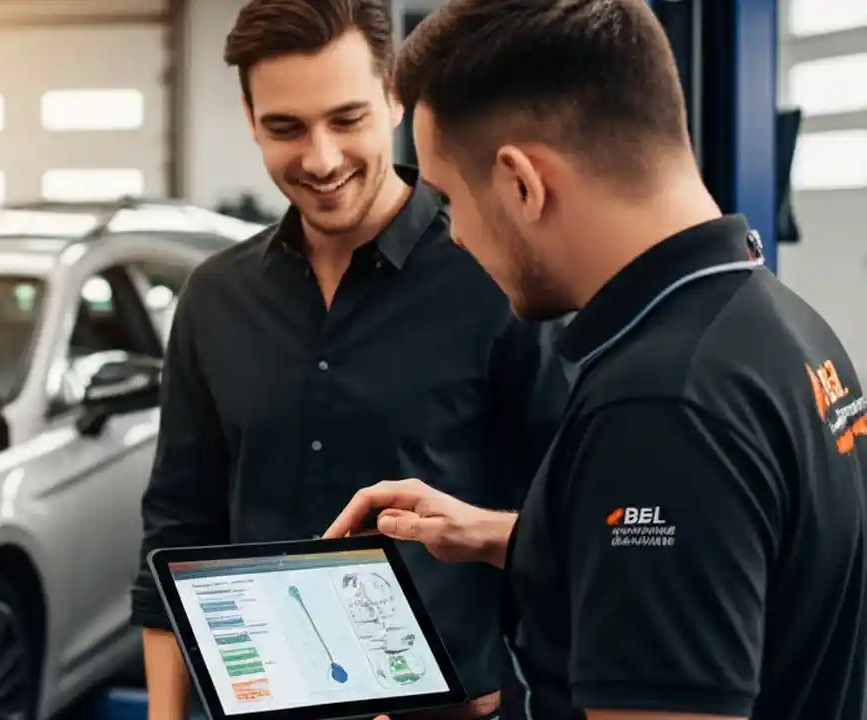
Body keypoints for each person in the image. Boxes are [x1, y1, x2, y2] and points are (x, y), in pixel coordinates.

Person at [325, 1, 867, 719]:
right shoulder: (778, 326)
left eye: (449, 201)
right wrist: (501, 535)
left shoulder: (660, 408)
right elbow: (724, 564)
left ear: (522, 183)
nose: (453, 239)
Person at [129, 1, 569, 719]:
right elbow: (179, 527)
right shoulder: (215, 298)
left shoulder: (494, 275)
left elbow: (569, 523)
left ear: (395, 98)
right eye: (285, 128)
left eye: (347, 119)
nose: (322, 159)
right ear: (249, 118)